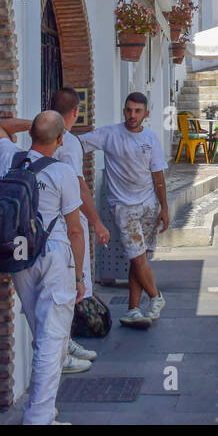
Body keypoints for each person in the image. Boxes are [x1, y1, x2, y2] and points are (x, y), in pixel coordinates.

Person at [0, 90, 112, 369]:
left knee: (39, 319)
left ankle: (60, 351)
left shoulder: (9, 156)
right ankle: (59, 359)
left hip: (14, 250)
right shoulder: (64, 156)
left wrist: (38, 125)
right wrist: (95, 224)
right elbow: (75, 222)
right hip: (51, 247)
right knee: (55, 313)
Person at [0, 111, 86, 424]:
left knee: (43, 333)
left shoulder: (10, 160)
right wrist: (80, 275)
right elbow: (74, 229)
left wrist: (31, 124)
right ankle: (39, 418)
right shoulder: (63, 172)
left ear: (31, 135)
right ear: (60, 140)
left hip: (18, 256)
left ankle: (43, 410)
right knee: (52, 337)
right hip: (54, 255)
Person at [76, 93, 170, 328]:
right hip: (123, 207)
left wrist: (164, 207)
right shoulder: (109, 134)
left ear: (146, 114)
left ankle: (133, 309)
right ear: (124, 110)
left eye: (138, 111)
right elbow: (77, 144)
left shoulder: (151, 138)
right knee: (137, 257)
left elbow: (158, 175)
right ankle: (156, 297)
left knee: (138, 258)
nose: (132, 115)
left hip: (149, 204)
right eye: (128, 110)